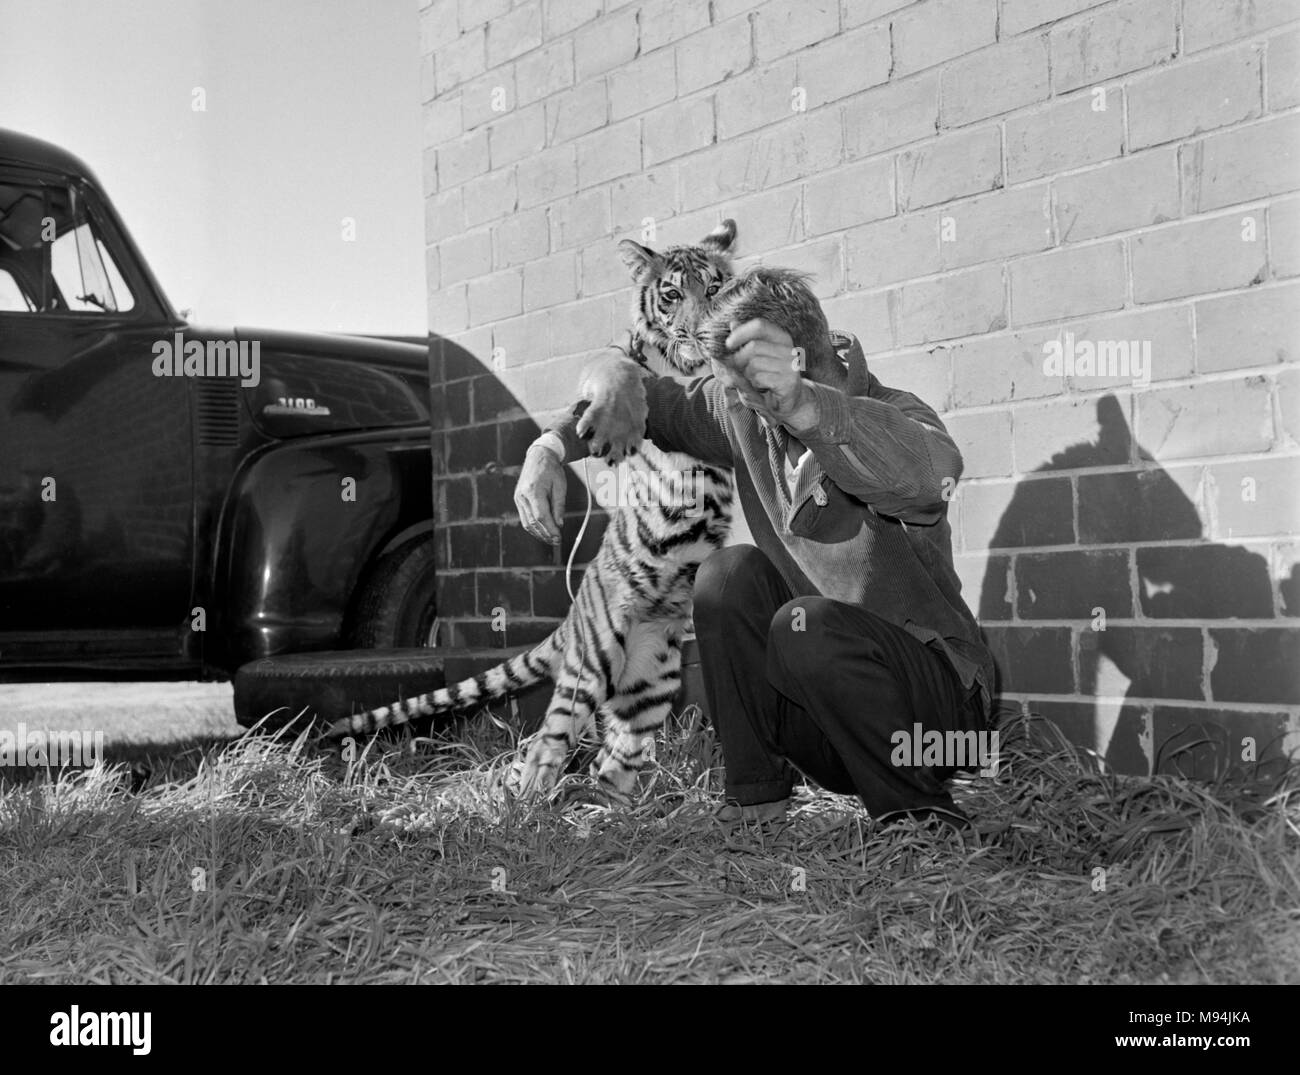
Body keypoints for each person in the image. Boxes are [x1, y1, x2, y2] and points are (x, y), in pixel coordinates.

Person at [514, 316, 994, 829]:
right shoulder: (742, 410)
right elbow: (636, 399)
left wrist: (811, 409)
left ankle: (918, 816)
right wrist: (547, 449)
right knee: (727, 574)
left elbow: (929, 475)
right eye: (732, 388)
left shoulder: (895, 410)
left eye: (748, 387)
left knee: (805, 625)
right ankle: (756, 800)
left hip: (936, 722)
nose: (736, 401)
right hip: (831, 728)